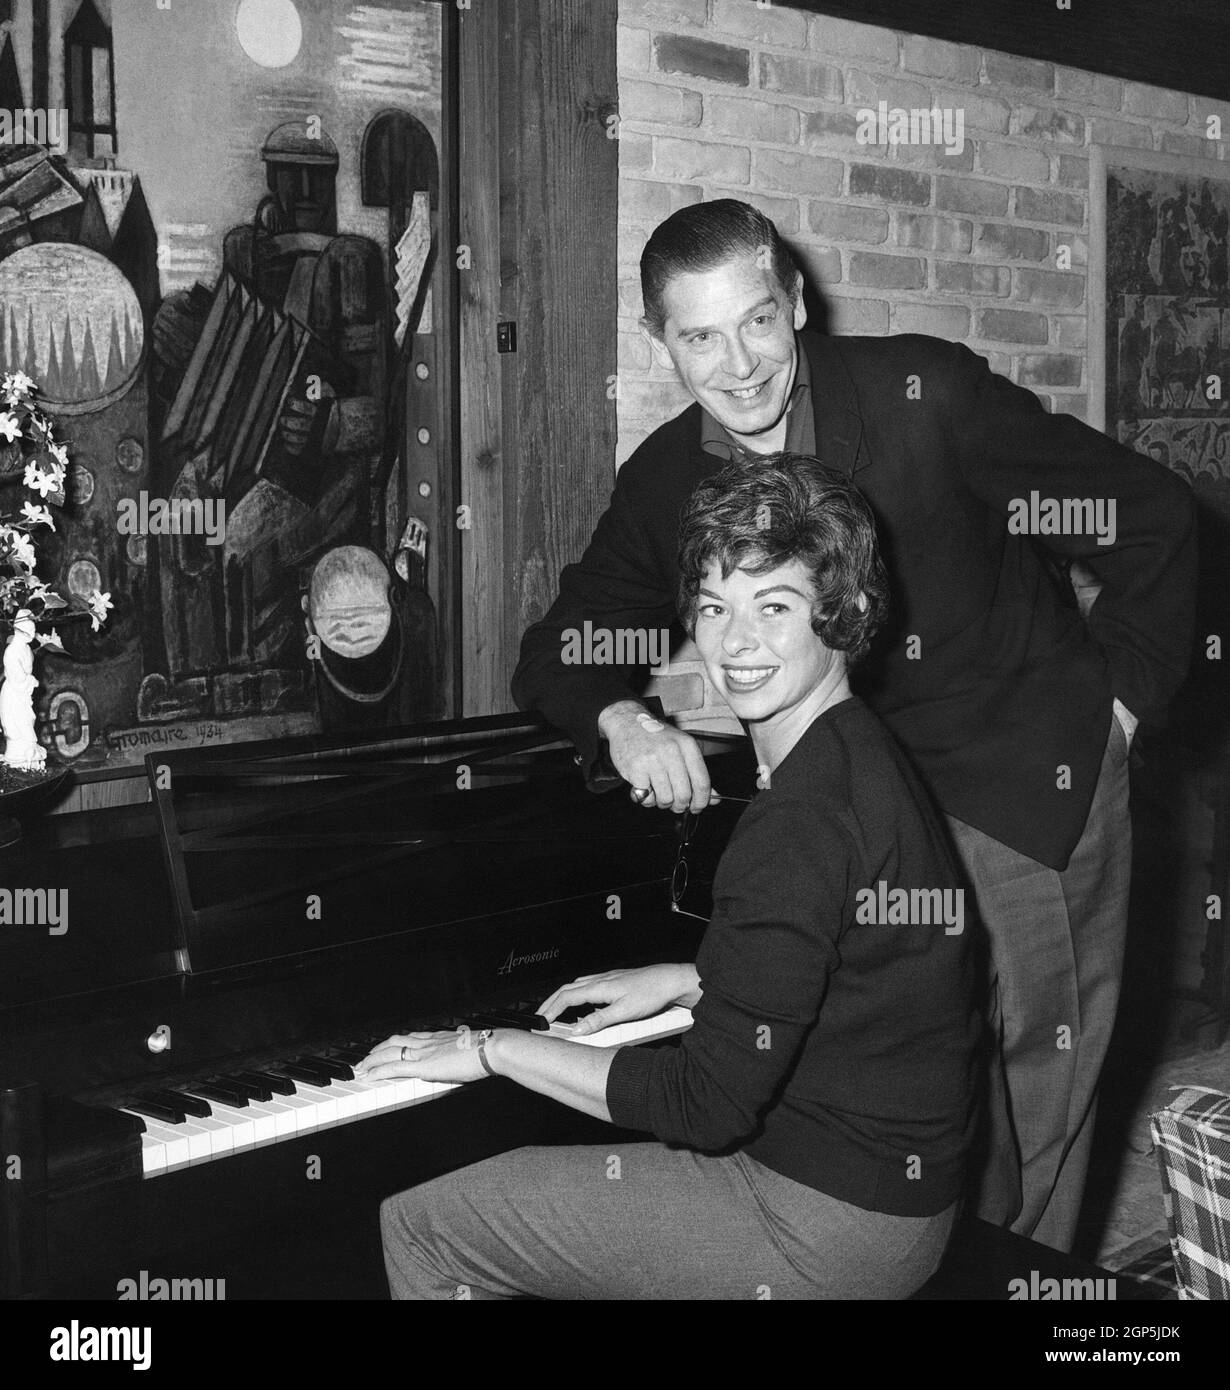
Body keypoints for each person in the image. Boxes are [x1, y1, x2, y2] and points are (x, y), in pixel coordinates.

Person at [511, 200, 1197, 1252]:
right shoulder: (667, 477)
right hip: (865, 820)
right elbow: (563, 643)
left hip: (1022, 795)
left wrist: (1117, 714)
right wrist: (621, 719)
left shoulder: (929, 396)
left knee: (1035, 1131)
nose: (738, 366)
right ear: (663, 343)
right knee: (918, 1133)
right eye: (700, 336)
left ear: (793, 303)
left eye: (757, 323)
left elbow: (1152, 516)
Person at [362, 457, 979, 1300]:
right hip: (899, 1204)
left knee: (427, 1223)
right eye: (716, 608)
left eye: (775, 608)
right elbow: (866, 973)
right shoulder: (859, 751)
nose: (736, 644)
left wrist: (491, 1049)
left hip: (820, 1227)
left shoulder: (796, 820)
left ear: (845, 614)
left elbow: (704, 1107)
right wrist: (694, 981)